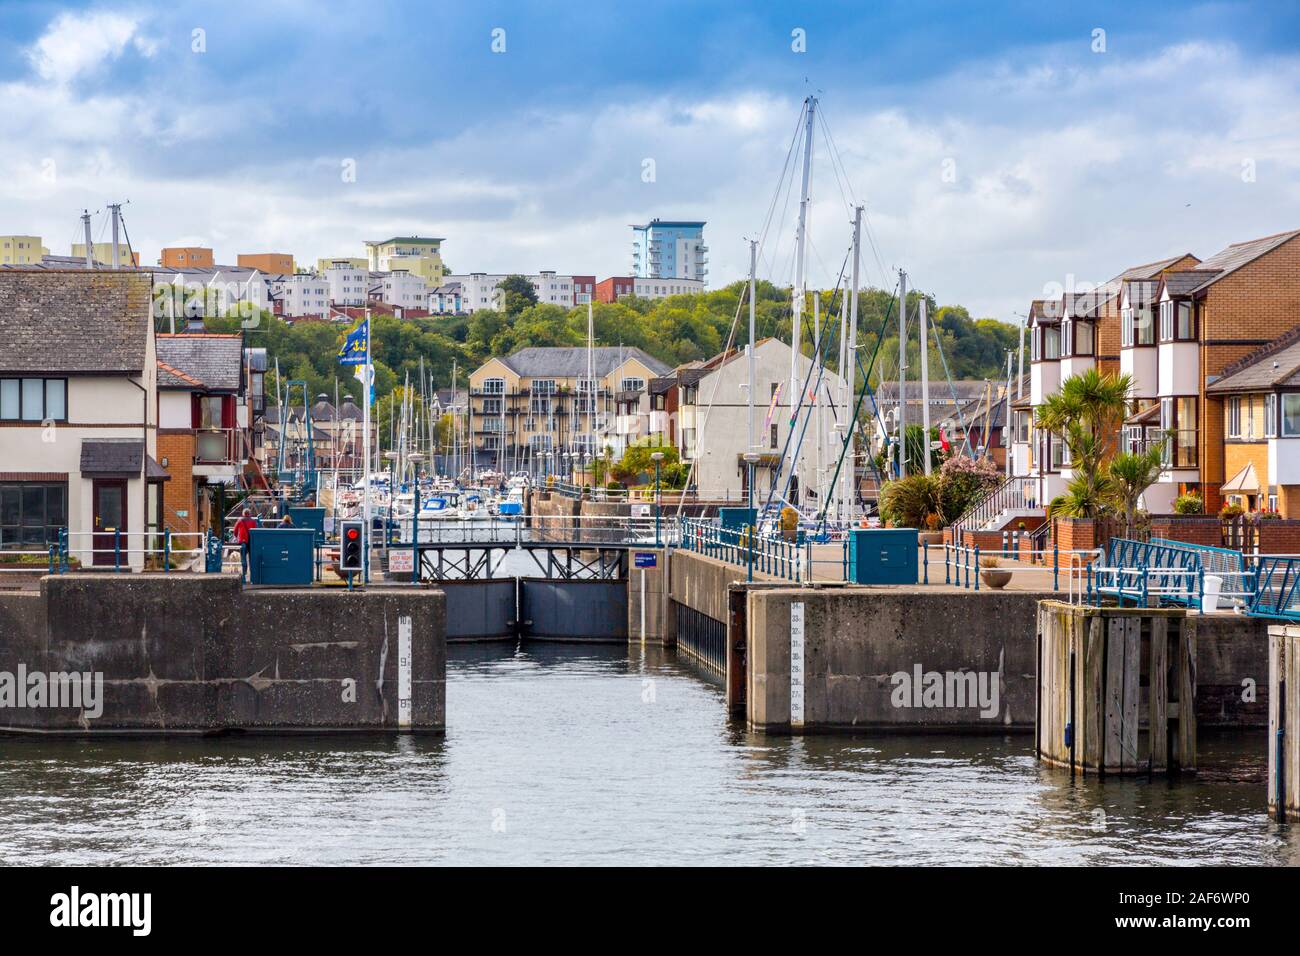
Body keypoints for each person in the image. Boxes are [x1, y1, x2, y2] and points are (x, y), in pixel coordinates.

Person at [233, 509, 258, 581]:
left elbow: (235, 531)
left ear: (243, 513)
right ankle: (252, 573)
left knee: (243, 557)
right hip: (251, 541)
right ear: (250, 514)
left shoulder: (240, 520)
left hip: (242, 541)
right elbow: (255, 530)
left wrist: (237, 537)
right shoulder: (253, 521)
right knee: (251, 557)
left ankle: (244, 572)